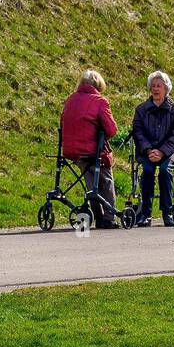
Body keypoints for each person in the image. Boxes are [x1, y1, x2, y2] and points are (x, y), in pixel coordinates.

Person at [60, 69, 118, 229]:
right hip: (93, 151)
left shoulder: (70, 100)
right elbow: (112, 130)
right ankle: (109, 217)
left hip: (72, 150)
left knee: (91, 181)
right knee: (106, 181)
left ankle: (98, 215)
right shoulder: (100, 102)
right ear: (99, 85)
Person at [131, 71, 174, 227]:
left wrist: (161, 151)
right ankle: (146, 214)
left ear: (166, 88)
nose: (155, 89)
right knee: (147, 171)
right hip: (147, 152)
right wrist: (149, 150)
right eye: (153, 86)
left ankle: (167, 212)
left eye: (159, 86)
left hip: (168, 152)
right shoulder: (141, 109)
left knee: (164, 171)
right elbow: (138, 132)